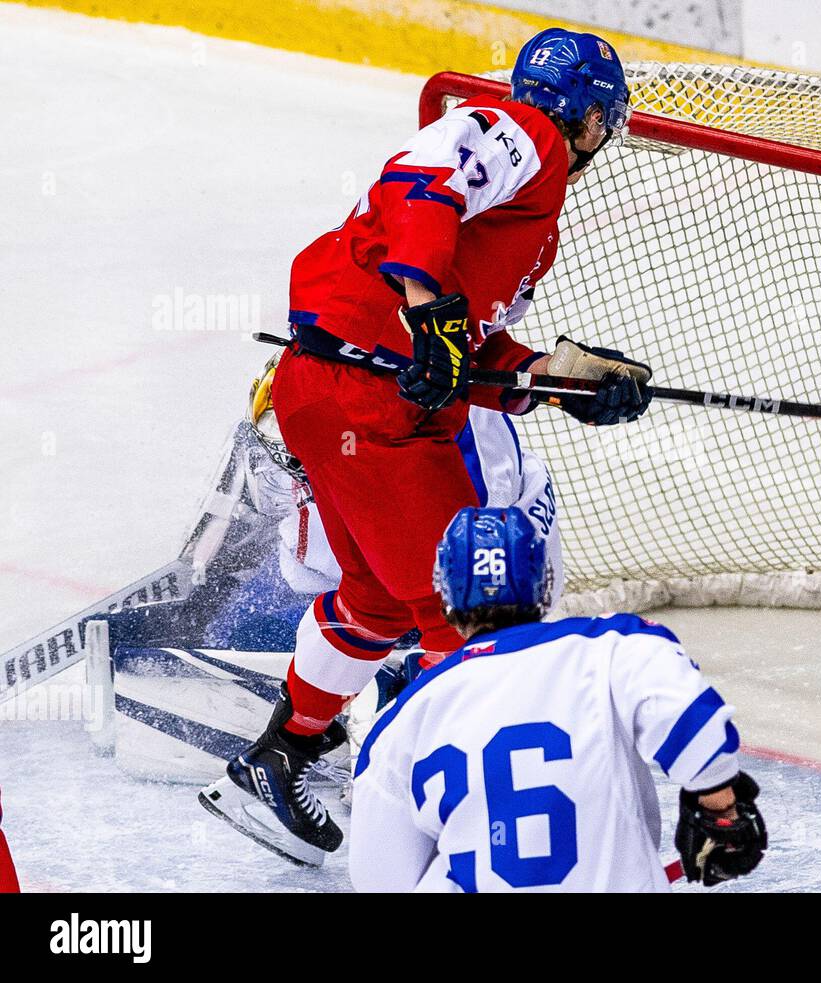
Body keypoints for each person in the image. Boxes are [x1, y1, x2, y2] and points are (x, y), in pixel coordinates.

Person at [201, 28, 652, 864]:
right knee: (468, 612)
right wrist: (427, 307)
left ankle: (278, 757)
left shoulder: (525, 207)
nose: (601, 134)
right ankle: (467, 826)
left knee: (375, 603)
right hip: (367, 408)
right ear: (584, 113)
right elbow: (418, 191)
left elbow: (464, 356)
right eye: (602, 117)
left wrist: (559, 378)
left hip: (337, 394)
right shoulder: (532, 137)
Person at [348, 506, 767, 892]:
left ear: (446, 595)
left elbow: (380, 879)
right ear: (543, 581)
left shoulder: (401, 720)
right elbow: (697, 736)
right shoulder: (614, 646)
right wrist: (720, 810)